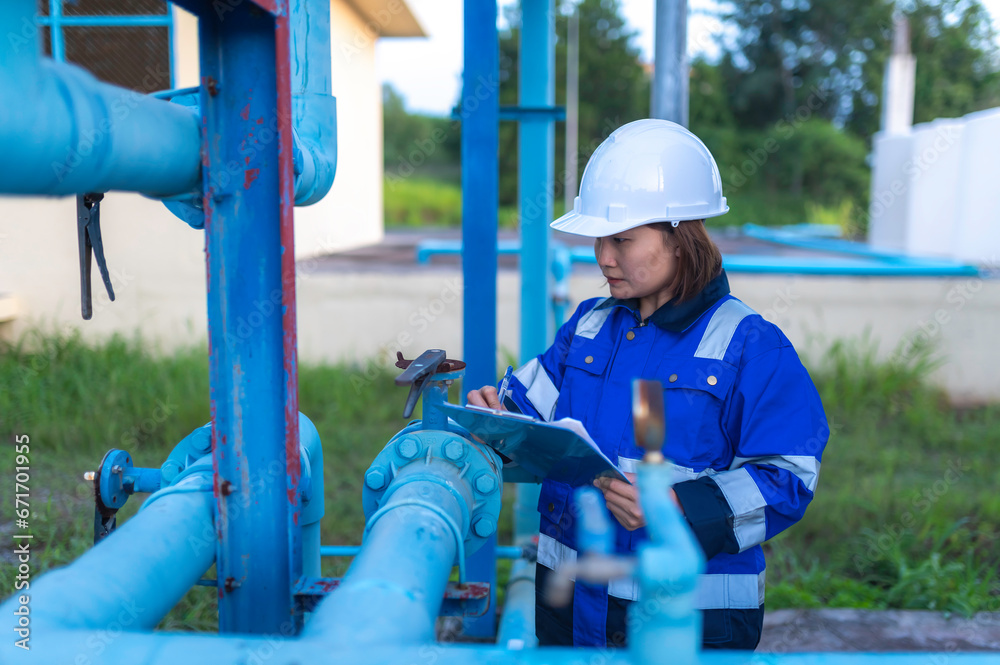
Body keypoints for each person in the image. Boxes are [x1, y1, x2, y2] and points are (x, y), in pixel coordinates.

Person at [468, 119, 828, 650]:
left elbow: (789, 475)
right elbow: (530, 406)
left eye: (622, 239)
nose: (603, 256)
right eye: (599, 238)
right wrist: (495, 414)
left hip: (687, 625)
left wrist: (677, 506)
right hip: (568, 611)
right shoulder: (590, 325)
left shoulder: (749, 346)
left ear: (681, 239)